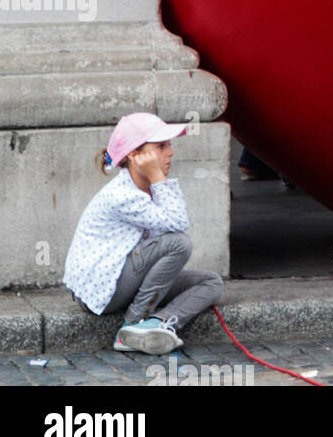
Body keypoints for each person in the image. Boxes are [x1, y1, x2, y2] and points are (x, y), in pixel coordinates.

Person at [63, 111, 223, 355]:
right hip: (101, 289)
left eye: (168, 145)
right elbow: (178, 225)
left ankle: (157, 324)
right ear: (135, 156)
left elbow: (168, 229)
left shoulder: (149, 188)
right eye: (161, 146)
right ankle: (133, 324)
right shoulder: (123, 195)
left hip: (125, 279)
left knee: (211, 282)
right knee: (179, 244)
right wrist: (159, 177)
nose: (170, 152)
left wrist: (157, 180)